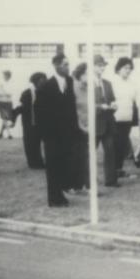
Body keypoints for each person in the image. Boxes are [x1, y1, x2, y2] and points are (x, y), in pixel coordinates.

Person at [36, 53, 79, 207]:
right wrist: (45, 134)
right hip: (52, 134)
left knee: (64, 163)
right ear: (56, 65)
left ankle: (61, 192)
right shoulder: (46, 86)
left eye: (68, 64)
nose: (68, 67)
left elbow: (72, 107)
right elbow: (39, 111)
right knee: (53, 165)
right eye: (65, 65)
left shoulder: (70, 82)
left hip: (68, 132)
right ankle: (54, 198)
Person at [93, 55, 119, 187]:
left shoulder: (107, 83)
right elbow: (85, 104)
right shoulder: (86, 83)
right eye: (99, 65)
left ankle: (111, 180)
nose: (102, 68)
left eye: (103, 65)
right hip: (94, 123)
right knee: (90, 153)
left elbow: (112, 99)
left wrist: (114, 105)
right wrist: (99, 107)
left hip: (108, 122)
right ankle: (88, 182)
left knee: (110, 151)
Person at [113, 57, 140, 178]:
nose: (128, 70)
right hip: (115, 118)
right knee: (115, 146)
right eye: (125, 68)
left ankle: (119, 169)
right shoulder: (113, 82)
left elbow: (134, 100)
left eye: (130, 68)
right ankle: (113, 171)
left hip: (127, 118)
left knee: (123, 145)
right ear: (119, 69)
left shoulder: (132, 84)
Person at [13, 72, 47, 169]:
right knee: (30, 143)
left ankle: (40, 162)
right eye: (41, 80)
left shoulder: (45, 92)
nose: (44, 82)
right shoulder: (27, 93)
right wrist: (13, 117)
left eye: (45, 80)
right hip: (29, 123)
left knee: (41, 142)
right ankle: (33, 163)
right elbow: (20, 107)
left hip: (42, 122)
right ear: (35, 81)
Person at [70, 63, 91, 193]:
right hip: (76, 127)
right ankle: (75, 185)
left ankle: (84, 185)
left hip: (87, 127)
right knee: (76, 157)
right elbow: (72, 110)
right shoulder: (73, 88)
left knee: (85, 157)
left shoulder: (89, 88)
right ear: (80, 74)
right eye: (87, 74)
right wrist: (81, 126)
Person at [0, 70, 15, 139]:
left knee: (5, 118)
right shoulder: (0, 83)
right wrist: (4, 93)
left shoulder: (11, 83)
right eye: (4, 75)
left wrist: (3, 92)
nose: (5, 76)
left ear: (9, 76)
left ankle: (0, 134)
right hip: (0, 102)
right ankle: (9, 134)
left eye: (6, 75)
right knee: (4, 117)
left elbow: (10, 93)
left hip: (8, 103)